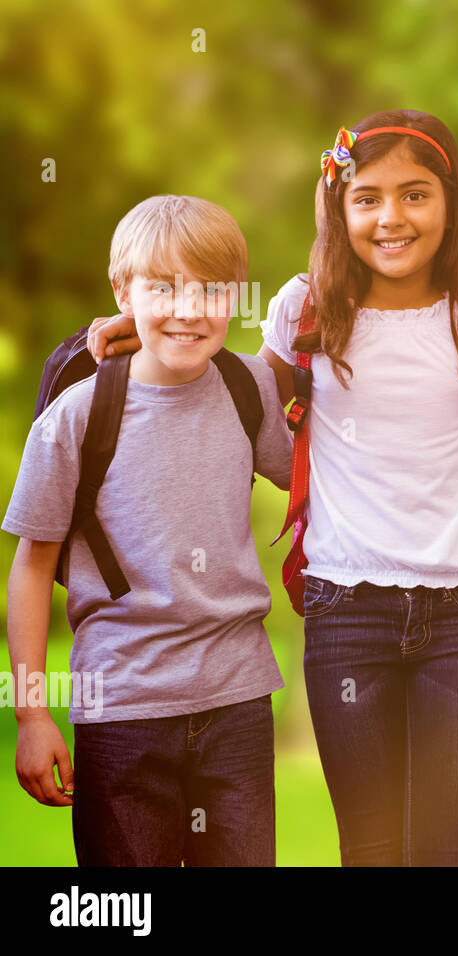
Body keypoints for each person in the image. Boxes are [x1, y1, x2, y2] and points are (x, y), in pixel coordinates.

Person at [89, 110, 458, 866]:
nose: (392, 217)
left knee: (449, 852)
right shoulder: (304, 311)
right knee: (368, 850)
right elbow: (229, 404)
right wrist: (150, 325)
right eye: (367, 197)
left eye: (416, 195)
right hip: (347, 610)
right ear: (338, 210)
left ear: (451, 202)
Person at [5, 194, 291, 865]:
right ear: (122, 291)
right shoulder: (78, 417)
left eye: (211, 290)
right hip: (122, 712)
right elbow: (30, 568)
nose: (190, 309)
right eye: (163, 287)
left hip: (239, 704)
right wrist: (31, 714)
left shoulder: (250, 388)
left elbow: (320, 473)